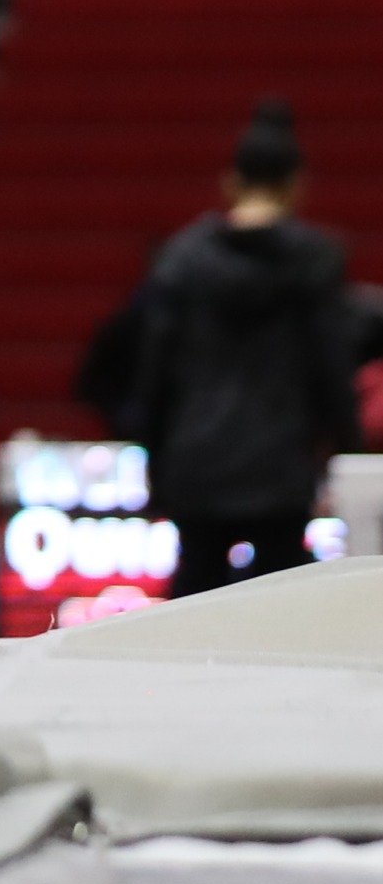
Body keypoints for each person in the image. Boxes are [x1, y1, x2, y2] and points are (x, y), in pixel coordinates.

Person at [127, 98, 358, 599]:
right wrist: (347, 445)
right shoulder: (317, 260)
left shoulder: (183, 258)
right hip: (281, 468)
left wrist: (152, 461)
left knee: (192, 606)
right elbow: (329, 364)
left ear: (231, 180)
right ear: (296, 184)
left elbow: (155, 371)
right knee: (281, 609)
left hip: (197, 463)